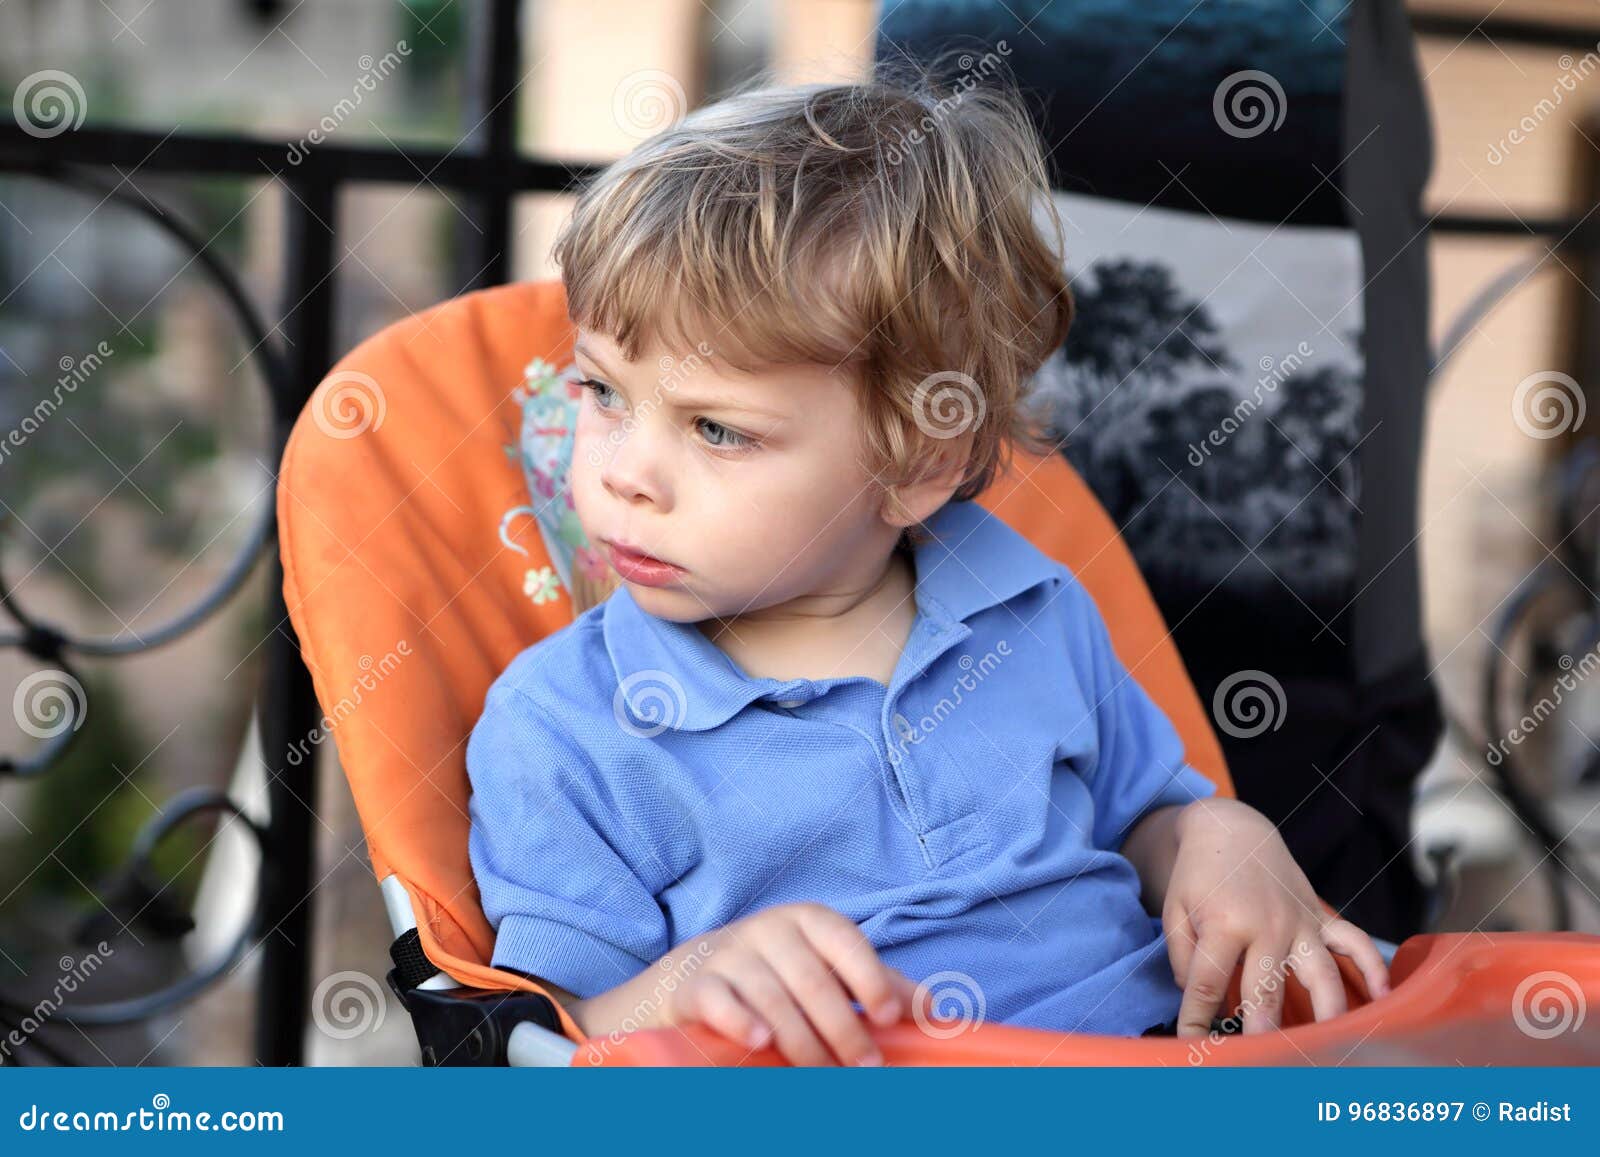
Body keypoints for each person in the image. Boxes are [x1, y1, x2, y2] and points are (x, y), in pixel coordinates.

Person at [466, 67, 1389, 1067]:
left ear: (915, 464)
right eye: (600, 389)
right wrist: (694, 983)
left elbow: (1146, 819)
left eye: (717, 429)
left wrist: (1222, 835)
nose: (623, 472)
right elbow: (550, 1034)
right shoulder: (562, 722)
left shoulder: (1033, 609)